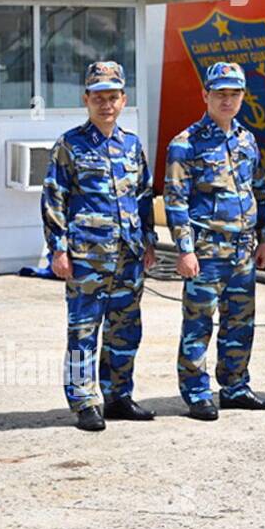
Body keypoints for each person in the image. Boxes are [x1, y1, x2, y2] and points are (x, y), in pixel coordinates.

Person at [41, 61, 158, 432]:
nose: (105, 104)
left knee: (125, 329)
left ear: (123, 100)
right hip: (87, 257)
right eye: (98, 98)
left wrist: (150, 242)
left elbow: (144, 197)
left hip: (128, 255)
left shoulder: (132, 145)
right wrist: (58, 249)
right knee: (83, 331)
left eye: (112, 97)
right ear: (86, 100)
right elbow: (54, 198)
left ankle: (118, 394)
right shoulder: (69, 144)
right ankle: (84, 401)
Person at [164, 61, 265, 420]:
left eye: (234, 94)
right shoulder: (185, 144)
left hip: (243, 249)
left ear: (243, 96)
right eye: (220, 94)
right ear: (205, 96)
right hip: (207, 250)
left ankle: (235, 386)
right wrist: (184, 250)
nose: (227, 101)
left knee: (240, 322)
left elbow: (258, 190)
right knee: (198, 323)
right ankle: (197, 392)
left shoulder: (246, 139)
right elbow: (175, 200)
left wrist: (264, 238)